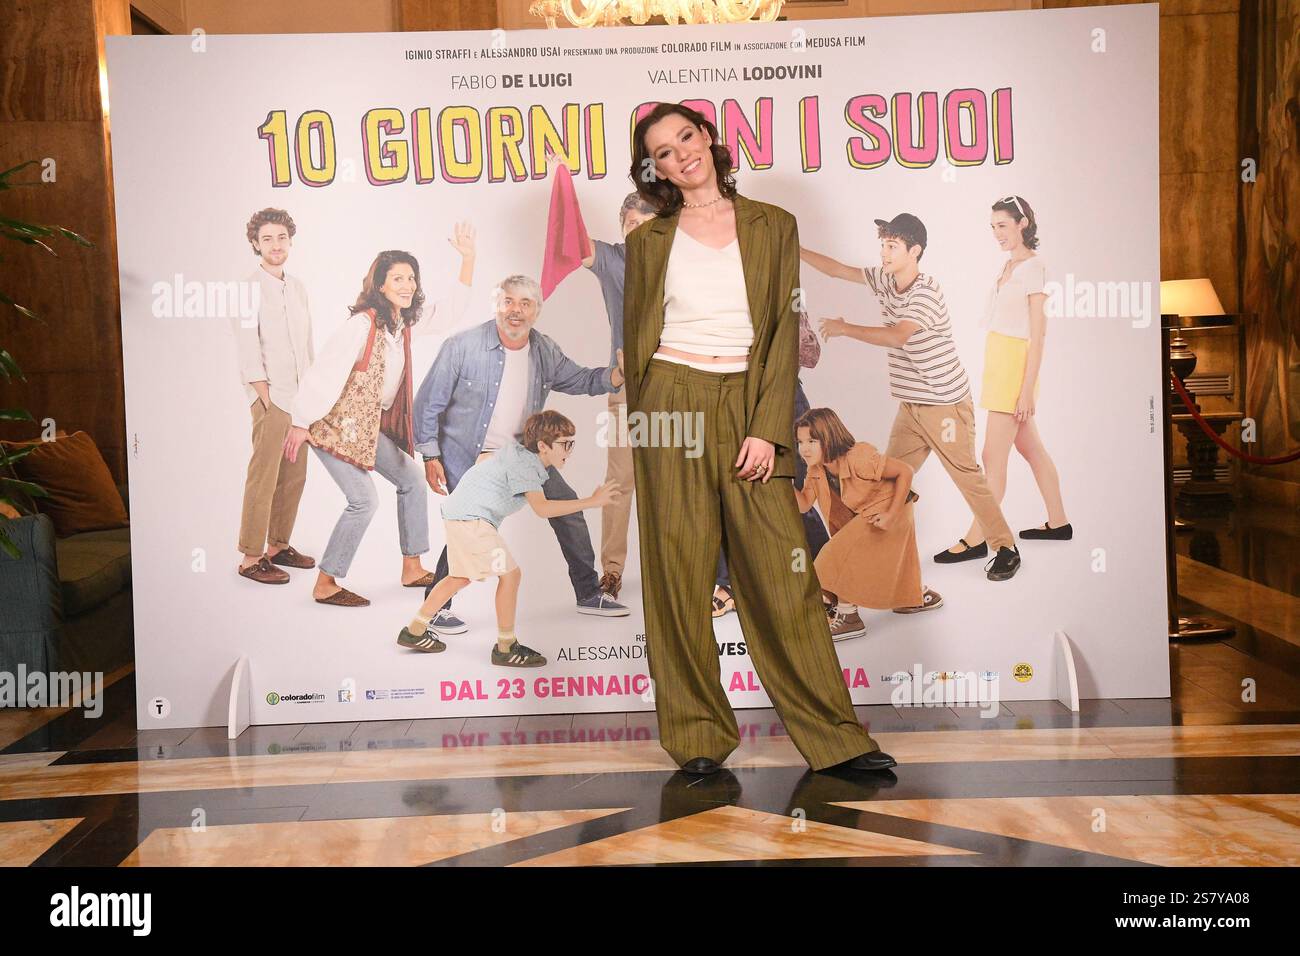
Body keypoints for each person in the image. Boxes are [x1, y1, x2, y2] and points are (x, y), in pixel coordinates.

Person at [622, 101, 895, 776]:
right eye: (663, 150)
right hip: (672, 406)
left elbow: (780, 334)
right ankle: (697, 741)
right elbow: (637, 343)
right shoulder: (648, 241)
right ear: (654, 168)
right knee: (678, 574)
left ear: (708, 139)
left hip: (750, 399)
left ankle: (836, 740)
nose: (680, 153)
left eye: (686, 136)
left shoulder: (773, 225)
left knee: (782, 574)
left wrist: (769, 431)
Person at [802, 213, 1023, 582]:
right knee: (882, 482)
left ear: (914, 251)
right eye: (883, 245)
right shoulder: (885, 277)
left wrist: (845, 328)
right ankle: (877, 559)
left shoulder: (926, 292)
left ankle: (1004, 547)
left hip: (944, 405)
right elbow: (839, 271)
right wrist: (796, 249)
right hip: (911, 405)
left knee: (966, 476)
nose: (884, 253)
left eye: (892, 246)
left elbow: (898, 336)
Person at [413, 274, 630, 636]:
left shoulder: (544, 350)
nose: (516, 311)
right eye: (508, 302)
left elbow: (581, 380)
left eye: (525, 304)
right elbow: (427, 403)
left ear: (536, 311)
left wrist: (616, 376)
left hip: (524, 455)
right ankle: (437, 608)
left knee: (569, 509)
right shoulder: (462, 346)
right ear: (496, 306)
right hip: (471, 454)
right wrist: (429, 455)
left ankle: (590, 593)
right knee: (472, 525)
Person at [284, 232, 475, 606]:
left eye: (411, 278)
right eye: (398, 278)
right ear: (381, 284)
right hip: (333, 428)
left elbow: (450, 312)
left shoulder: (401, 326)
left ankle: (412, 566)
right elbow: (324, 370)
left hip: (365, 429)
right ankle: (326, 583)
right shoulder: (361, 325)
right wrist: (301, 420)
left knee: (412, 478)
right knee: (363, 500)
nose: (407, 285)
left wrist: (468, 259)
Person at [397, 409, 621, 665]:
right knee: (510, 575)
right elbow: (543, 509)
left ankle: (414, 631)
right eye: (564, 444)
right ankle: (505, 647)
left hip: (463, 515)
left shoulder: (519, 455)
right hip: (472, 519)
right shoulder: (527, 465)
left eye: (572, 443)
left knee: (459, 578)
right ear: (542, 446)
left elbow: (488, 461)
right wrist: (592, 501)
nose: (569, 450)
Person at [541, 152, 657, 602]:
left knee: (670, 486)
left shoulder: (679, 261)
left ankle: (673, 571)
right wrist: (564, 177)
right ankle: (611, 572)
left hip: (677, 391)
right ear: (623, 227)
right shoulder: (612, 260)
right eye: (630, 223)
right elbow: (572, 240)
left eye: (647, 222)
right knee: (620, 481)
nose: (638, 230)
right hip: (625, 391)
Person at [966, 195, 1072, 545]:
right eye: (993, 226)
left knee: (991, 457)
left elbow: (1038, 335)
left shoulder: (1033, 267)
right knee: (1032, 449)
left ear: (1022, 223)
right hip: (998, 361)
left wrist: (1027, 389)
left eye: (1003, 225)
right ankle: (1059, 523)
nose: (997, 233)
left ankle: (978, 537)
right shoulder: (1008, 266)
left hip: (1015, 366)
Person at [794, 406, 941, 640]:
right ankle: (915, 595)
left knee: (834, 554)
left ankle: (849, 617)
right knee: (851, 558)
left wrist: (892, 514)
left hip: (893, 508)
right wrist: (782, 481)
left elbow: (905, 471)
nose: (804, 449)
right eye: (800, 442)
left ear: (829, 436)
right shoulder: (815, 470)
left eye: (812, 440)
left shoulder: (858, 456)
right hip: (866, 515)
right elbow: (803, 505)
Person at [232, 208, 316, 585]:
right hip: (271, 397)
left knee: (293, 476)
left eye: (281, 237)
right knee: (263, 477)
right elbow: (249, 351)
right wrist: (267, 401)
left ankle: (278, 546)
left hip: (299, 399)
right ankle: (251, 558)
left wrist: (310, 401)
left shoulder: (297, 287)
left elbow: (307, 346)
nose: (275, 244)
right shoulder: (247, 289)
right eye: (267, 238)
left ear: (290, 241)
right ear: (255, 243)